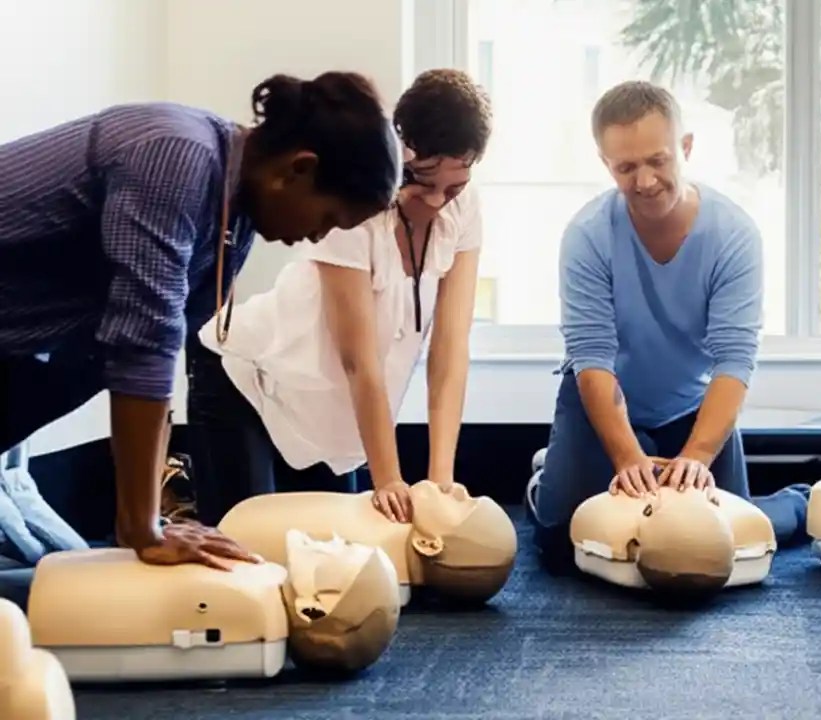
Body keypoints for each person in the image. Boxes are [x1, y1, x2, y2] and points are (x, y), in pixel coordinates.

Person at [0, 71, 401, 569]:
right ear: (299, 169)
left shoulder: (233, 224)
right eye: (328, 218)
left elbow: (154, 360)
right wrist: (141, 529)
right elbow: (142, 346)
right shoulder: (176, 154)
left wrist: (150, 523)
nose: (319, 236)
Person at [186, 69, 491, 527]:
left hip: (328, 421)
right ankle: (186, 493)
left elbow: (450, 348)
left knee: (340, 567)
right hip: (248, 380)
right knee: (251, 556)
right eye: (421, 182)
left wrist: (438, 484)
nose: (435, 201)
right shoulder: (358, 206)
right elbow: (359, 360)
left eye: (454, 187)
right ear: (401, 150)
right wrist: (389, 479)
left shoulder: (462, 210)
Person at [525, 80, 808, 572]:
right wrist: (628, 457)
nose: (645, 180)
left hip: (689, 406)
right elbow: (591, 356)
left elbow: (734, 359)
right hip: (605, 405)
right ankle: (548, 476)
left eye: (658, 160)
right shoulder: (587, 235)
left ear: (686, 147)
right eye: (626, 167)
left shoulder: (733, 234)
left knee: (729, 539)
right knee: (560, 541)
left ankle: (798, 501)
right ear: (605, 165)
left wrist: (697, 456)